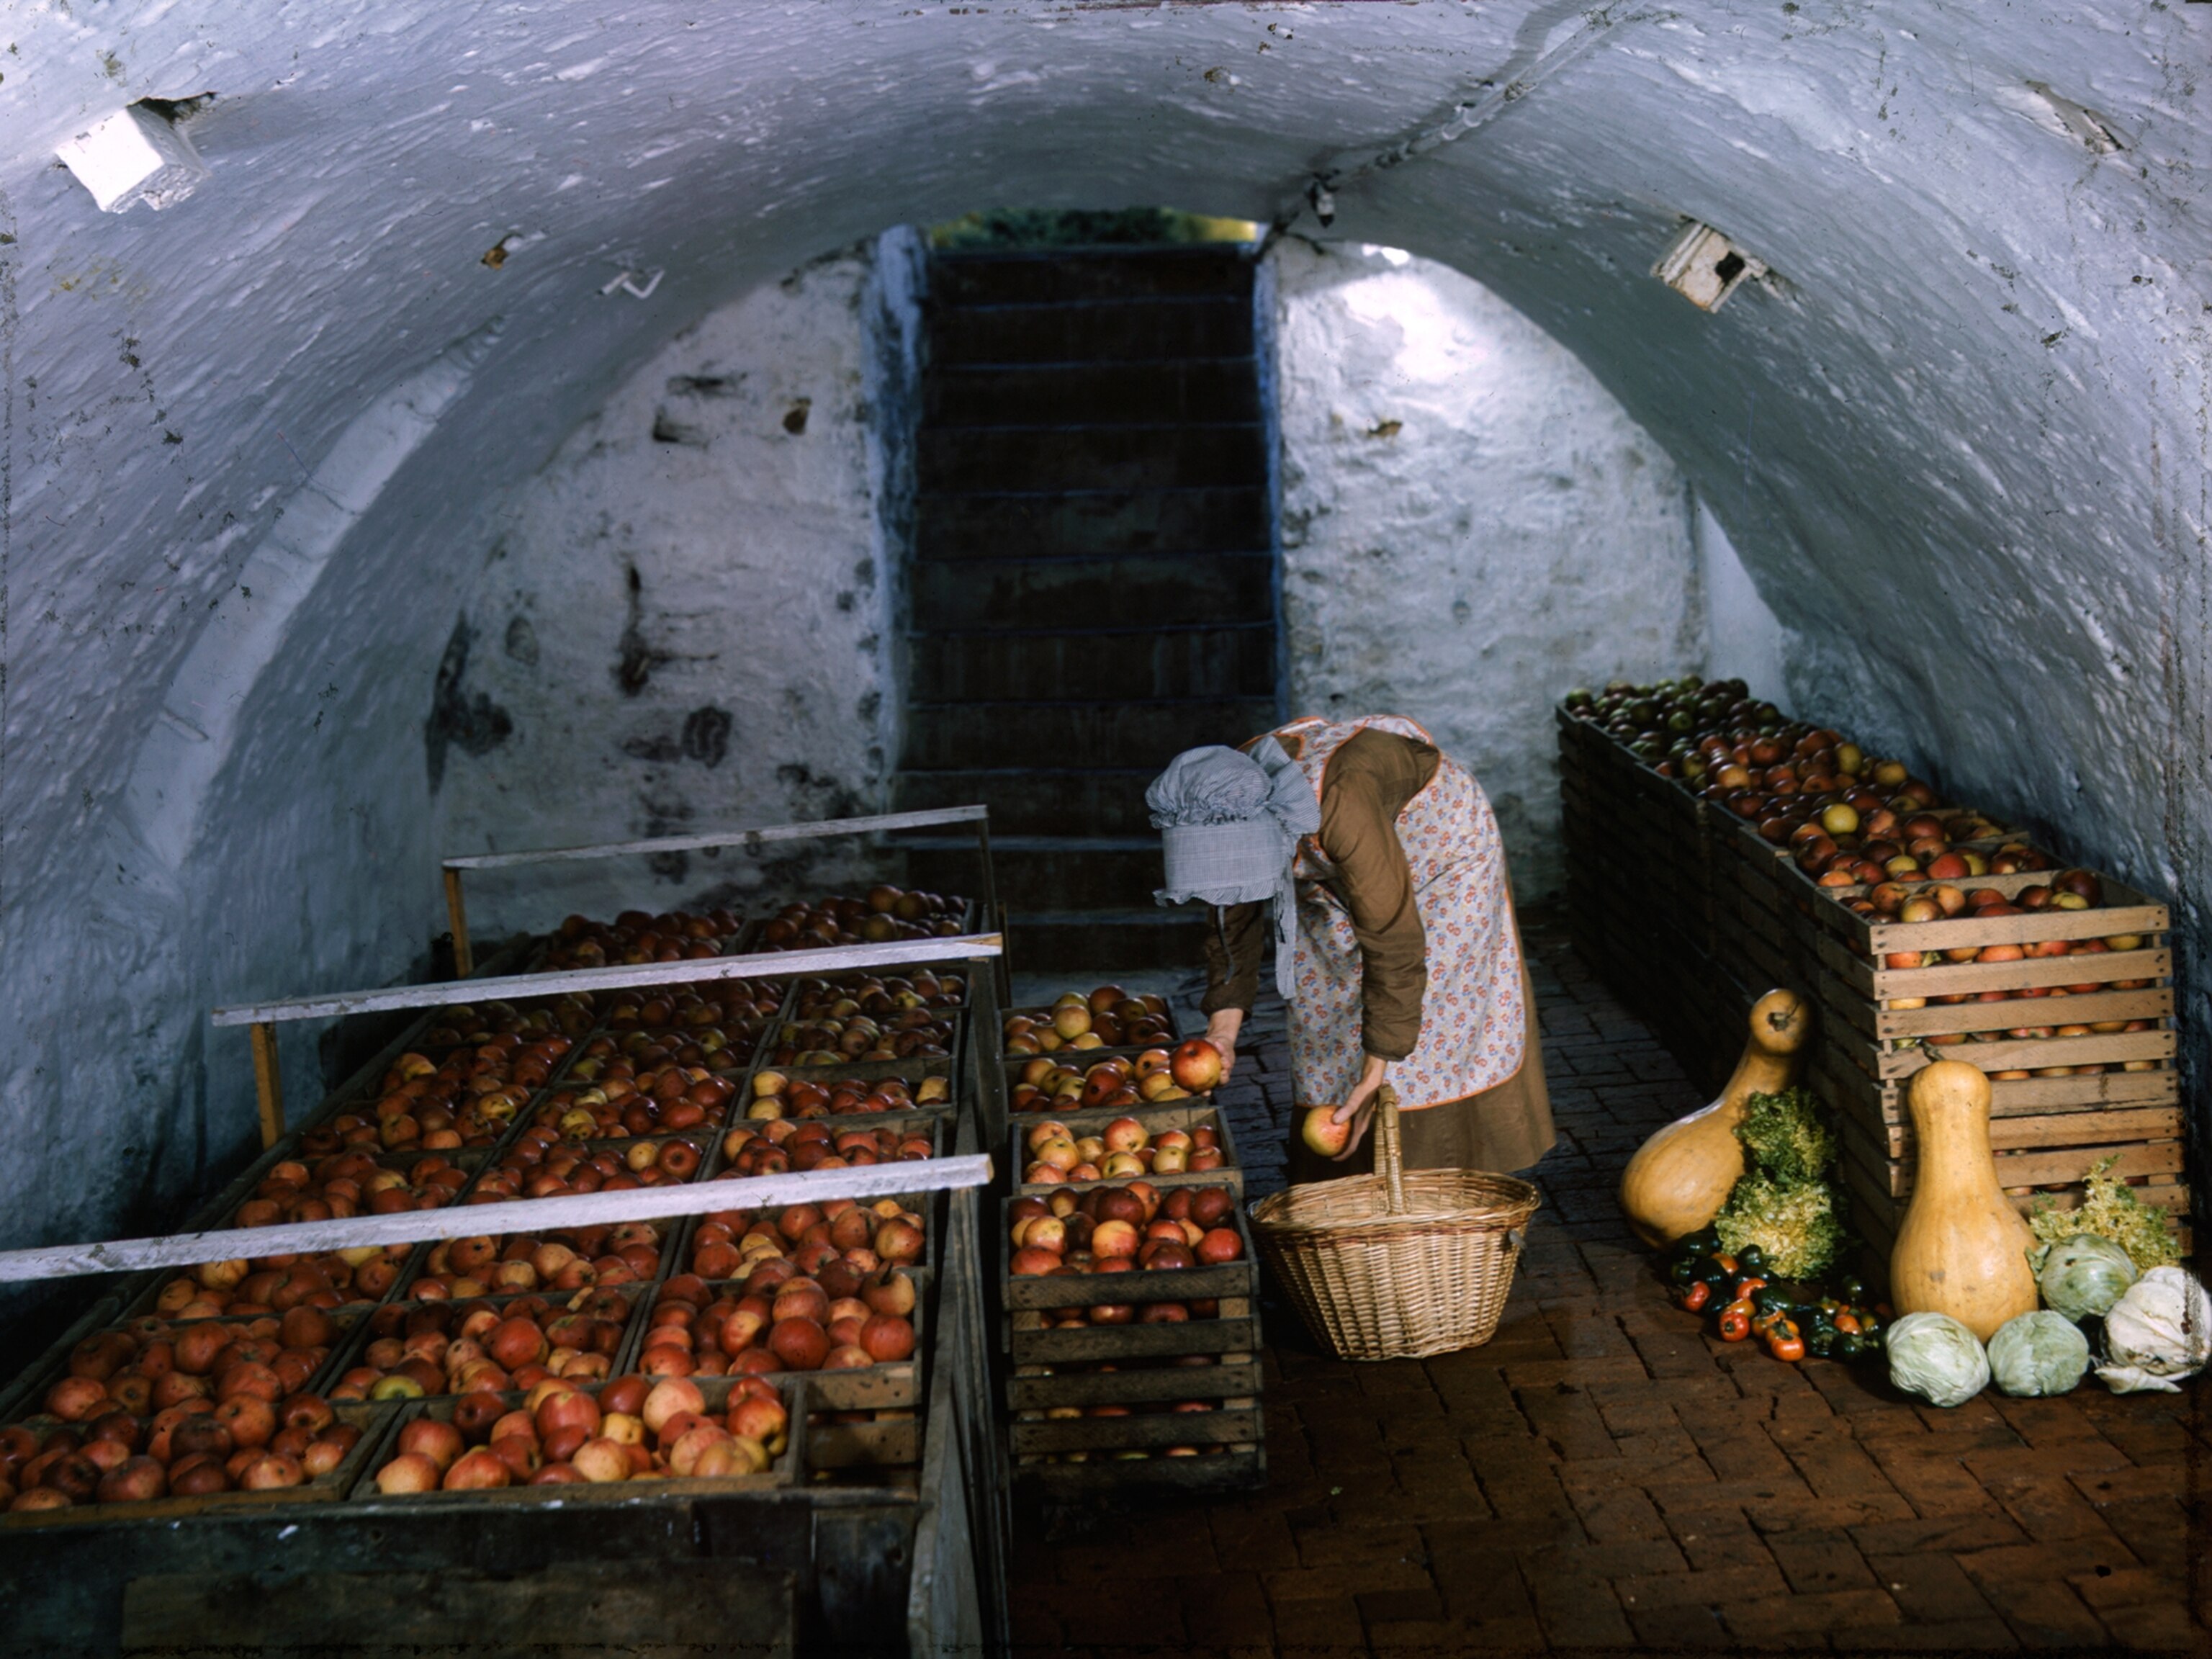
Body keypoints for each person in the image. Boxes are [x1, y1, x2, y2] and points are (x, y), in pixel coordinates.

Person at [1148, 714, 1552, 1184]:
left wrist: (1377, 1068)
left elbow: (1394, 941)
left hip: (1438, 851)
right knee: (1327, 1009)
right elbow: (1231, 919)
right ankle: (1341, 1184)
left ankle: (1435, 1185)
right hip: (1342, 851)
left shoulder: (1341, 800)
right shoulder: (1222, 793)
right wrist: (1222, 1032)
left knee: (1419, 1037)